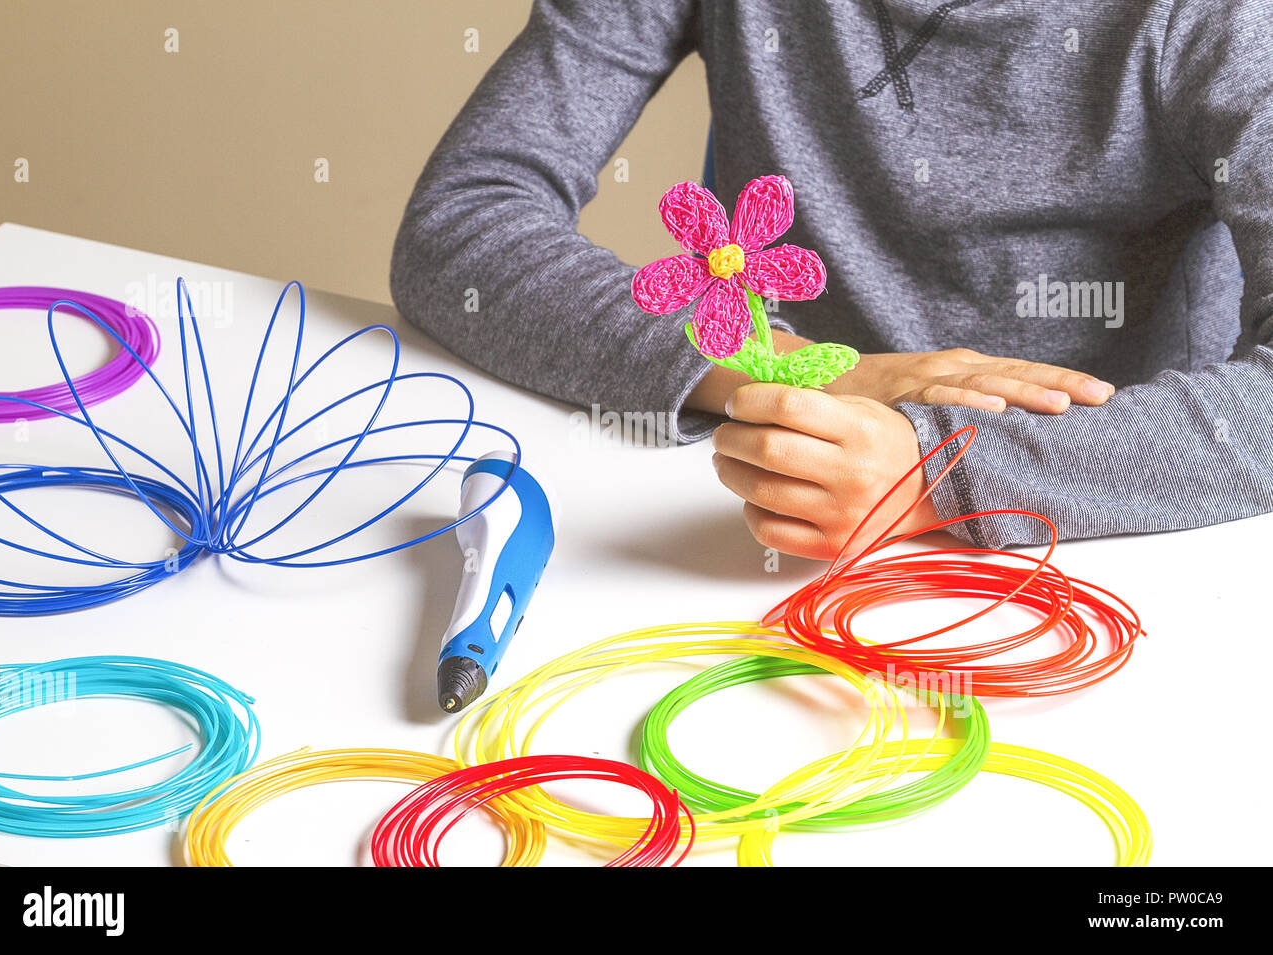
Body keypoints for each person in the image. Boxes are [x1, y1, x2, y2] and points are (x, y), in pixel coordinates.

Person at [391, 0, 1272, 559]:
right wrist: (811, 371)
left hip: (1113, 524)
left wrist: (936, 470)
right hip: (758, 503)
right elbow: (462, 222)